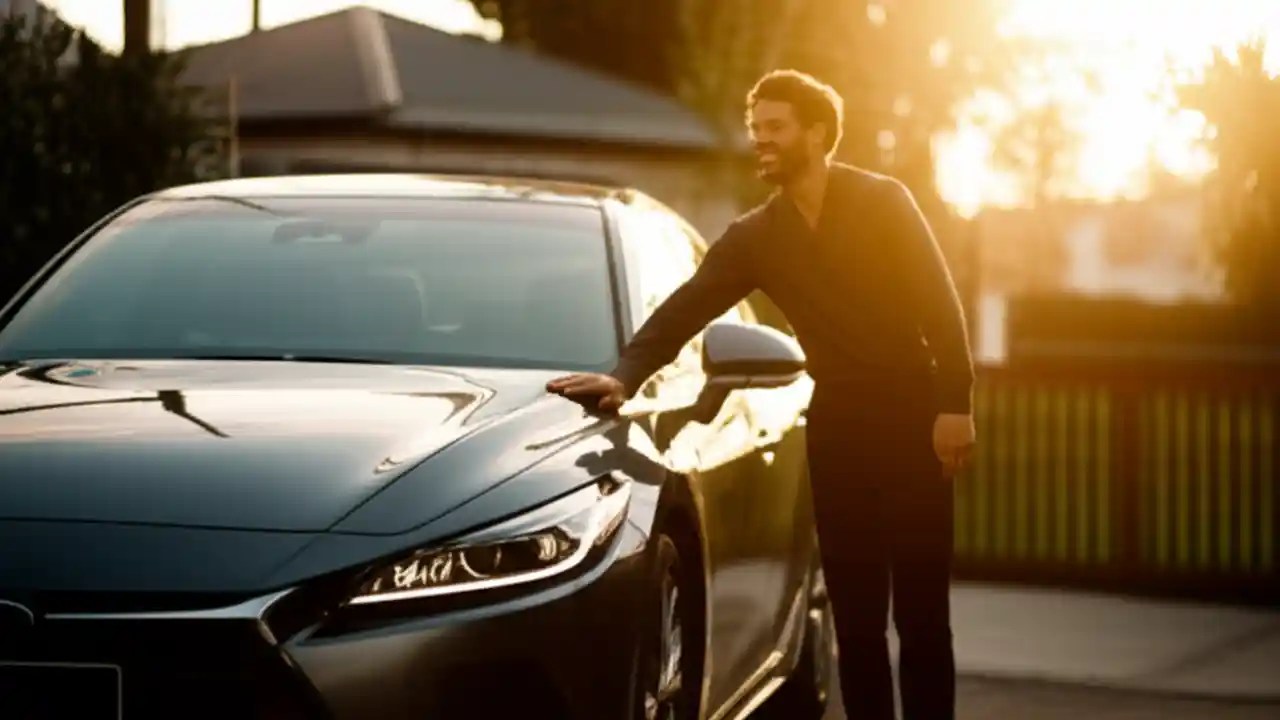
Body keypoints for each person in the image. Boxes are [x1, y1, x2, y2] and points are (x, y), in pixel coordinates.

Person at [547, 69, 975, 720]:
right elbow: (687, 306)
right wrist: (626, 374)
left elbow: (940, 305)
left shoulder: (884, 202)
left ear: (819, 133)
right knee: (858, 622)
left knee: (921, 618)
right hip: (837, 425)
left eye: (775, 128)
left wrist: (955, 403)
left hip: (914, 416)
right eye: (756, 131)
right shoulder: (757, 236)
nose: (761, 142)